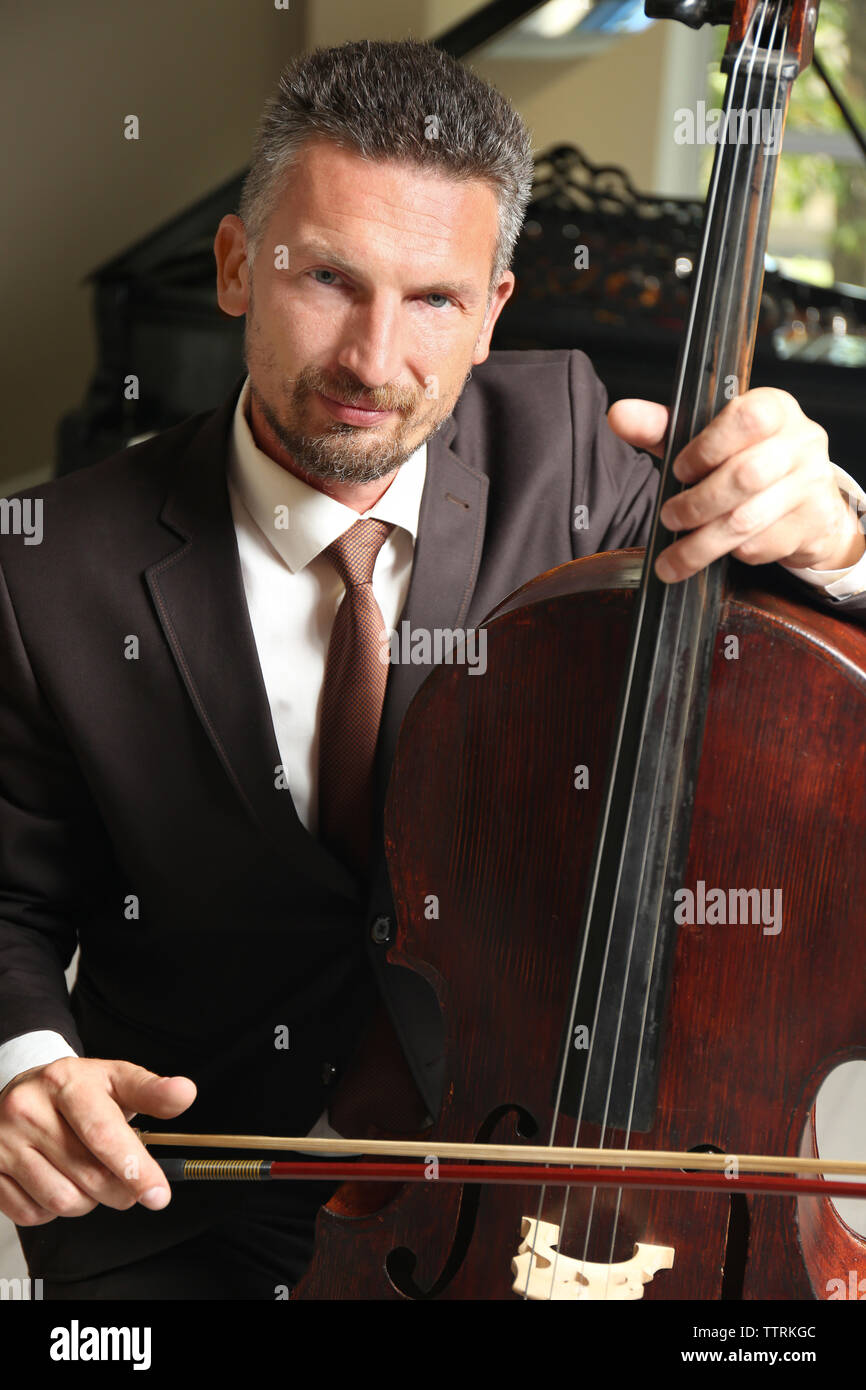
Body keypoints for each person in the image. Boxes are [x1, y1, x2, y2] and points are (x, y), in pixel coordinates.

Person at [1, 37, 865, 1302]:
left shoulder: (571, 450)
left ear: (495, 311)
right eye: (326, 280)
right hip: (186, 1206)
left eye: (433, 301)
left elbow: (799, 666)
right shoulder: (48, 563)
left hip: (540, 1183)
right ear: (239, 268)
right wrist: (22, 1061)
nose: (372, 360)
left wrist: (837, 535)